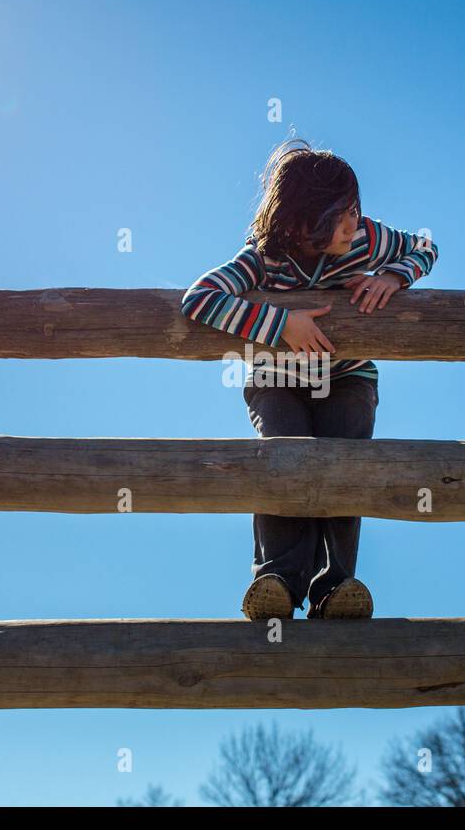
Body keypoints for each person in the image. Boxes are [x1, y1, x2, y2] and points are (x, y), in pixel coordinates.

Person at [180, 138, 438, 620]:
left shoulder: (367, 240)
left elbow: (425, 247)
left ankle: (335, 587)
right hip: (277, 378)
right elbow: (199, 298)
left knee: (344, 463)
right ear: (299, 222)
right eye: (337, 217)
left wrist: (395, 276)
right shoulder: (263, 259)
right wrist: (282, 324)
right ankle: (277, 579)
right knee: (285, 457)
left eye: (355, 210)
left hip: (347, 377)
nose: (352, 225)